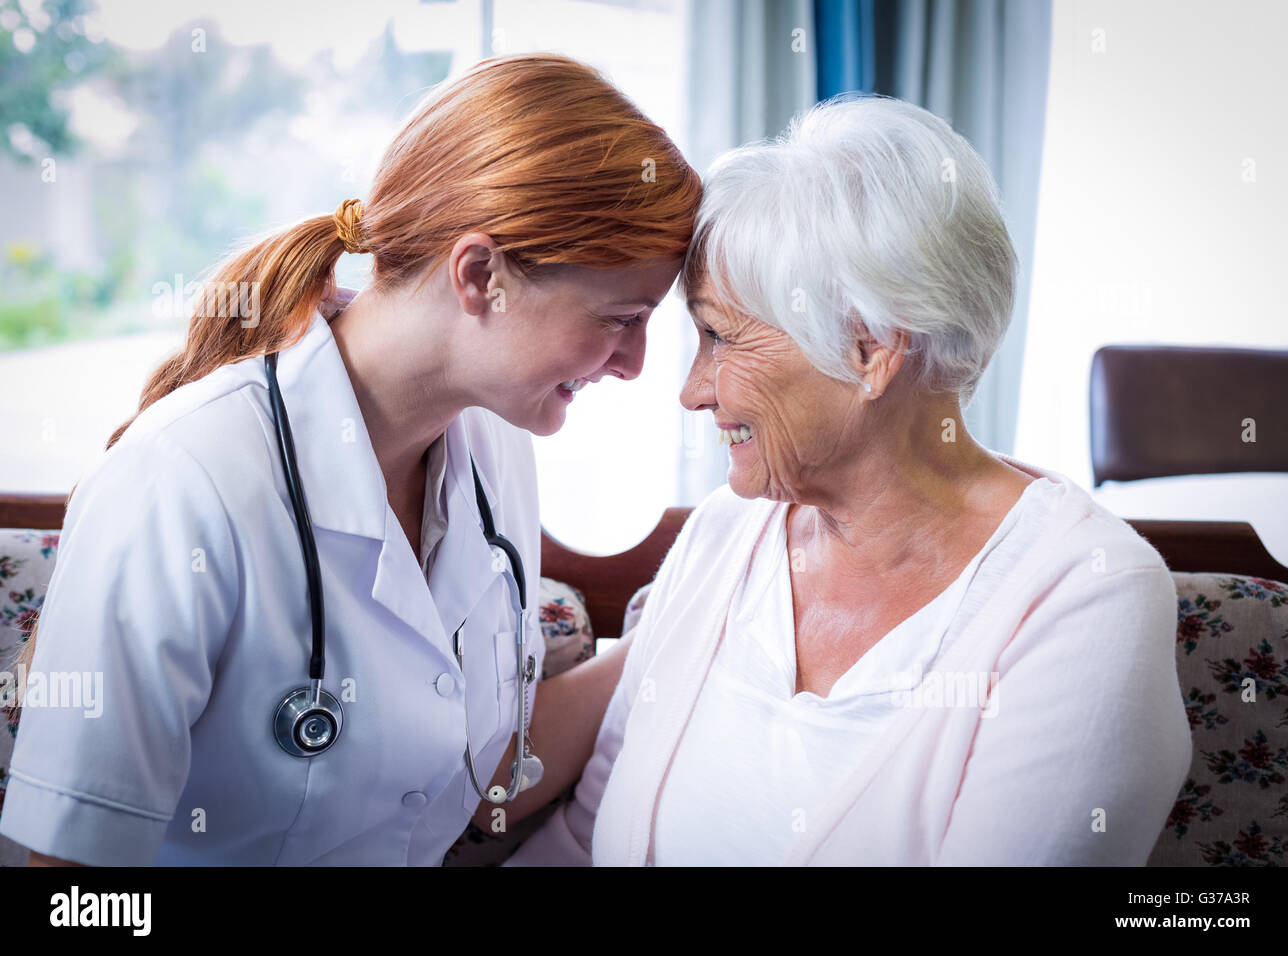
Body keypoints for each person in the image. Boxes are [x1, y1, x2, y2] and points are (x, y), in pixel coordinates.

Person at [0, 53, 701, 866]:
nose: (636, 365)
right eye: (621, 317)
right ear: (479, 276)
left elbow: (470, 779)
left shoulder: (494, 447)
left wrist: (672, 635)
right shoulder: (183, 483)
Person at [505, 94, 1192, 866]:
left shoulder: (1087, 600)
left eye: (720, 337)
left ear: (870, 349)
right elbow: (588, 834)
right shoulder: (724, 536)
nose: (693, 390)